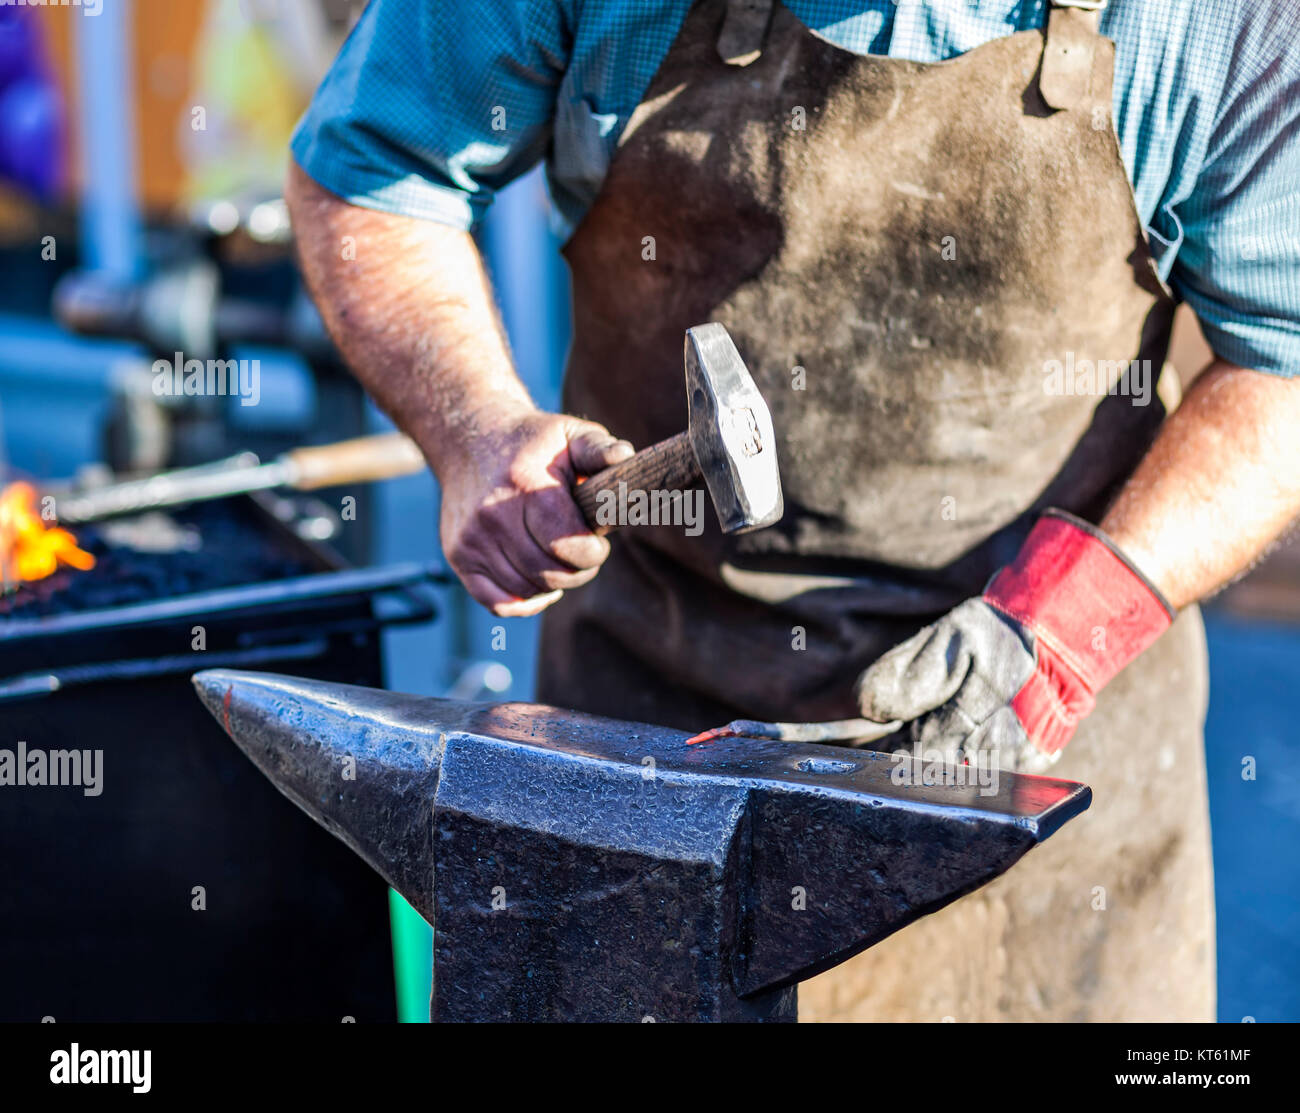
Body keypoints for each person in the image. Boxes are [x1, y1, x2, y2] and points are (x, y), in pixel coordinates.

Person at [286, 0, 1300, 1021]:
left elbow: (1285, 361)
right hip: (652, 744)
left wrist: (1065, 636)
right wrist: (472, 430)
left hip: (1039, 764)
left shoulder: (1214, 20)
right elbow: (375, 169)